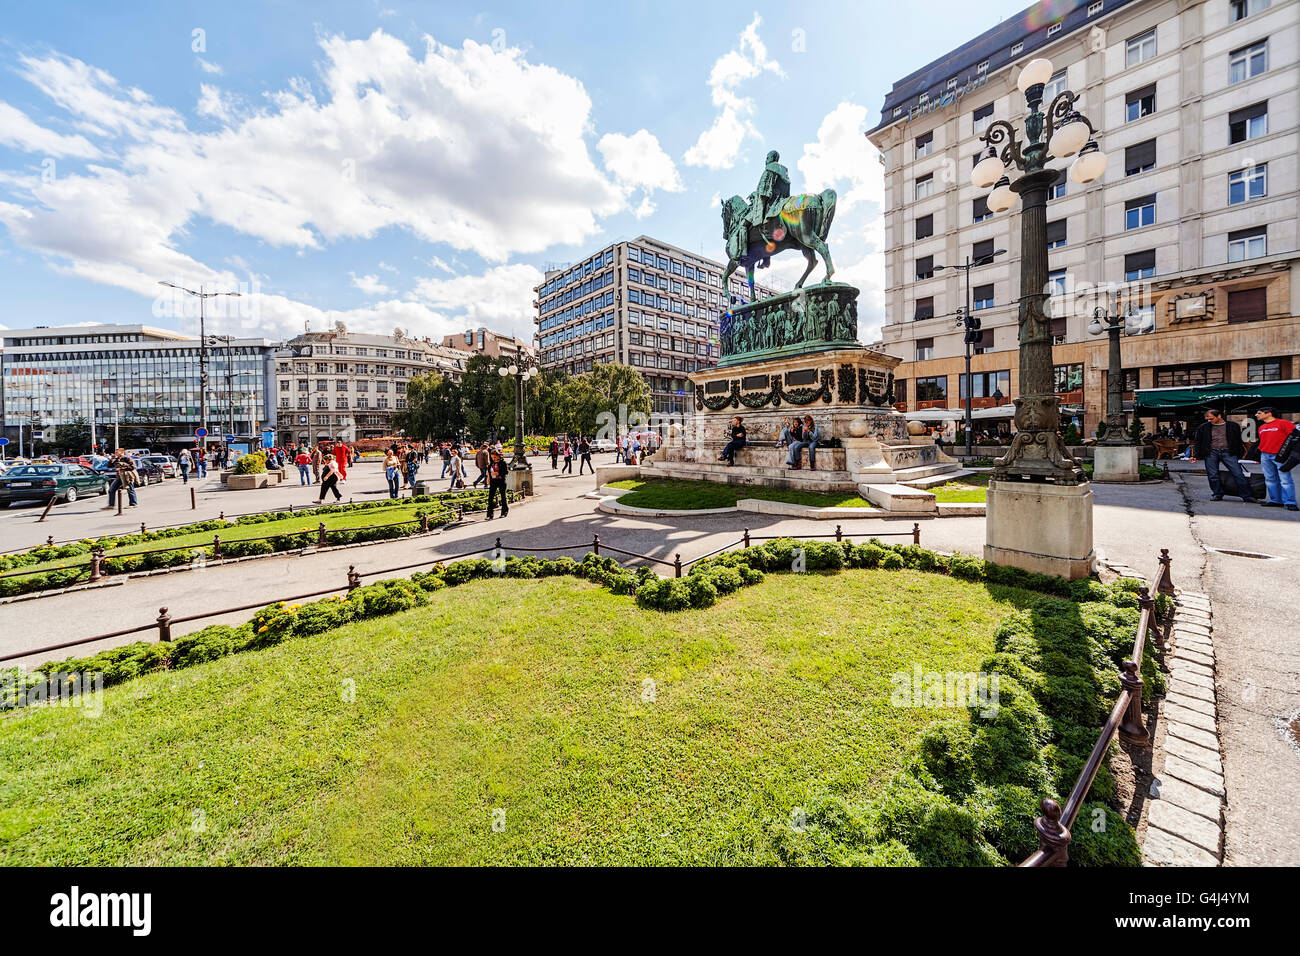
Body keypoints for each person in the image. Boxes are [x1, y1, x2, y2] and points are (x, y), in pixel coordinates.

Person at [1190, 409, 1255, 503]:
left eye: (1211, 418)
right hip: (1211, 452)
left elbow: (1238, 440)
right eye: (1207, 419)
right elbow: (1198, 441)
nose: (1209, 421)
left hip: (1228, 452)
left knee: (1238, 473)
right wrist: (1195, 455)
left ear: (1219, 416)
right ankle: (1217, 494)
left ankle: (1247, 495)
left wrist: (1240, 454)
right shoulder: (1203, 427)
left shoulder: (1233, 426)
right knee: (1212, 474)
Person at [1255, 406, 1297, 510]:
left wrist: (1291, 454)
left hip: (1281, 455)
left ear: (1268, 413)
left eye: (1259, 413)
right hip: (1265, 455)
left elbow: (1295, 438)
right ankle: (1276, 500)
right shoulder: (1261, 427)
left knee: (1285, 479)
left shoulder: (1284, 423)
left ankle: (1290, 502)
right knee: (1270, 479)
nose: (1256, 415)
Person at [486, 449, 509, 519]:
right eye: (492, 457)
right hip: (493, 481)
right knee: (490, 498)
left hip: (501, 481)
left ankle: (504, 512)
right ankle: (490, 514)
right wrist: (488, 478)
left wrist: (498, 473)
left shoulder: (503, 463)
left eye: (495, 457)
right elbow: (489, 473)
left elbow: (506, 472)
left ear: (498, 456)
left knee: (503, 497)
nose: (494, 459)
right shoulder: (491, 464)